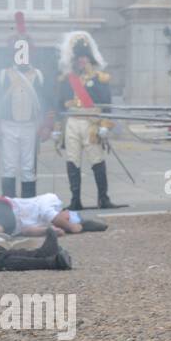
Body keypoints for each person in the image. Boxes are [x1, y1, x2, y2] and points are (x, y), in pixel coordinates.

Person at [0, 12, 49, 198]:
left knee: (29, 168)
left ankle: (28, 205)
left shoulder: (38, 75)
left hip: (30, 126)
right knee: (9, 167)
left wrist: (45, 125)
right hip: (8, 125)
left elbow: (46, 102)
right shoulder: (4, 75)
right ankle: (10, 205)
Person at [55, 31, 116, 212]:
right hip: (72, 122)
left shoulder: (99, 78)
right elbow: (59, 105)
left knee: (96, 159)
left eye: (84, 57)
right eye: (79, 58)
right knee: (72, 160)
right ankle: (75, 200)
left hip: (92, 123)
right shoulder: (67, 80)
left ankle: (103, 198)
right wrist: (58, 128)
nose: (81, 61)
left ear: (90, 59)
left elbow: (106, 104)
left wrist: (104, 125)